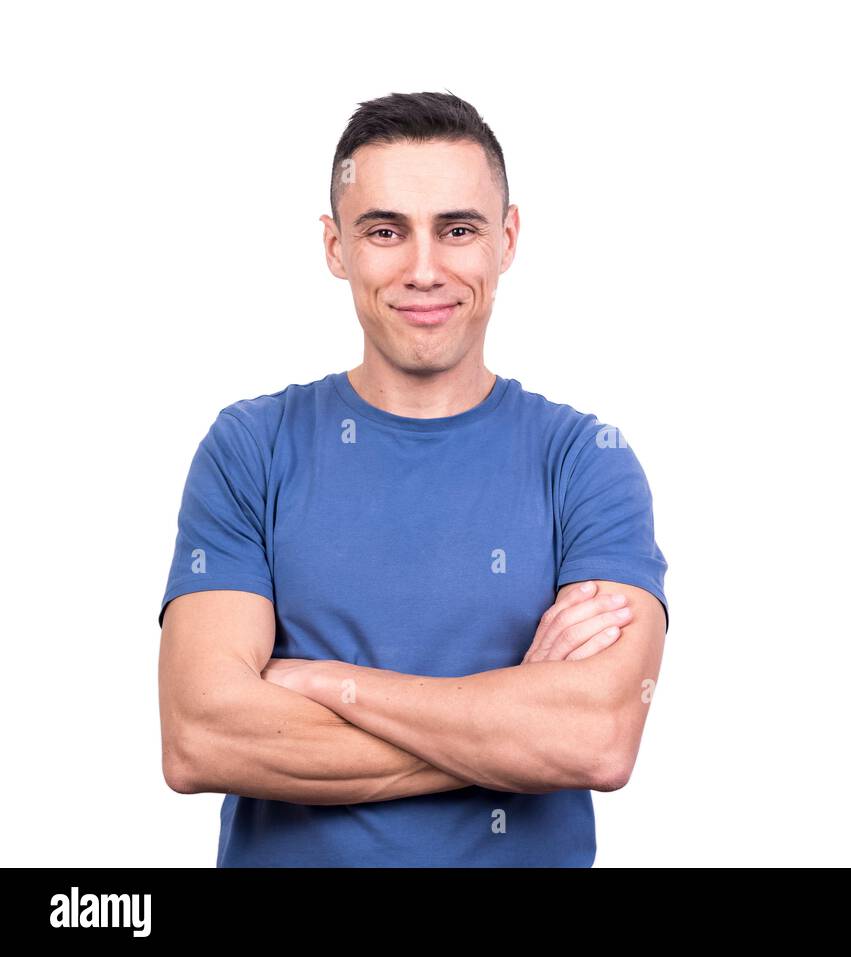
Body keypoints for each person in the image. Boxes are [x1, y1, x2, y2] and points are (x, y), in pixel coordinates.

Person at [156, 91, 669, 867]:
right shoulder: (250, 448)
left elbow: (597, 737)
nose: (424, 269)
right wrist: (507, 729)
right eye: (385, 231)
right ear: (336, 247)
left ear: (508, 239)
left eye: (457, 229)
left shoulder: (585, 460)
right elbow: (200, 736)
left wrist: (322, 681)